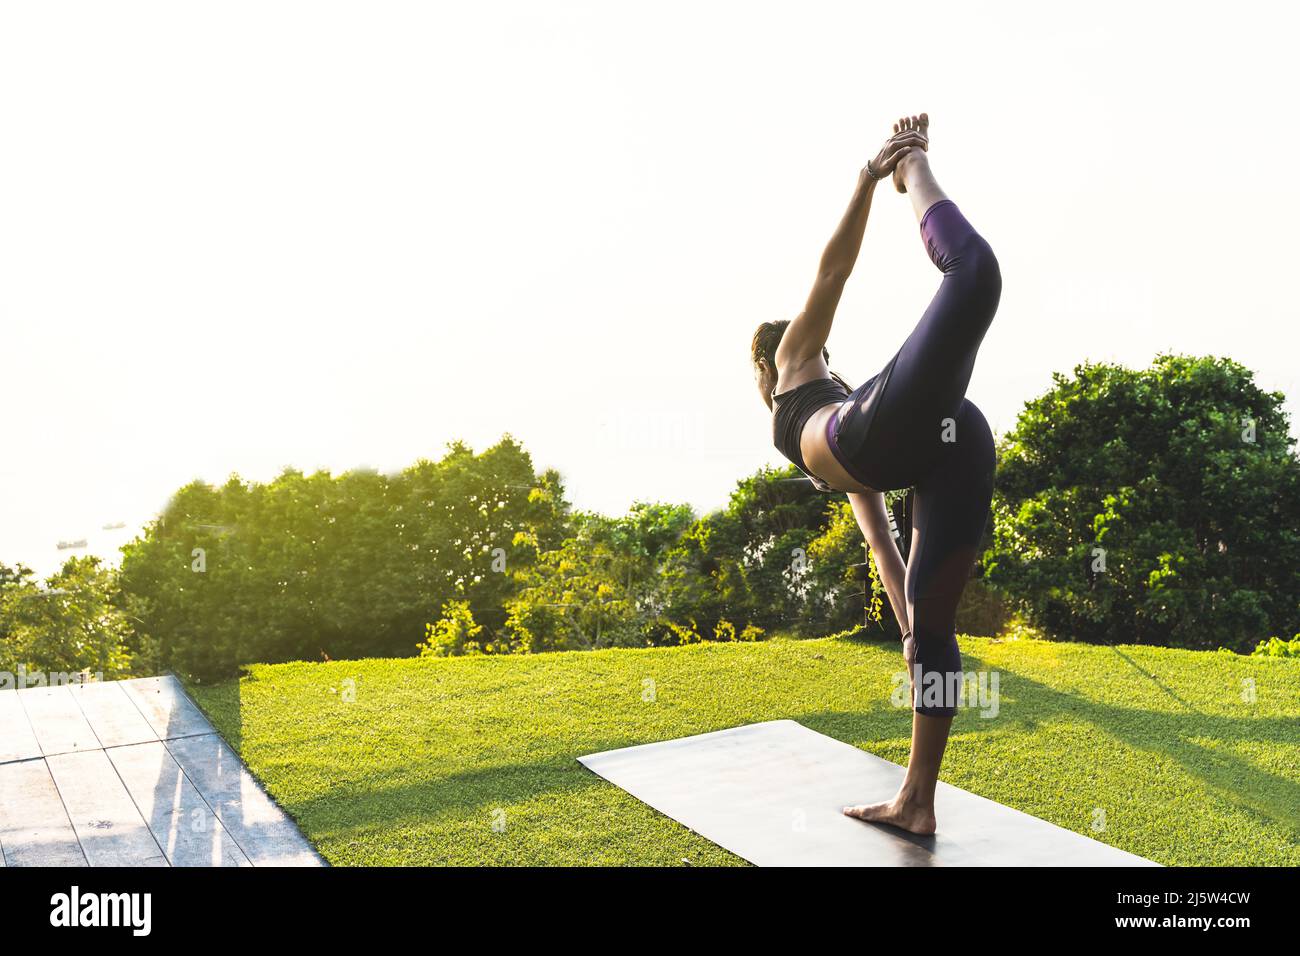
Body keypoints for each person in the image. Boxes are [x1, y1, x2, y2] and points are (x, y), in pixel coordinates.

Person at [750, 113, 1002, 834]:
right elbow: (881, 542)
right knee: (936, 628)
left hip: (926, 438)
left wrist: (868, 179)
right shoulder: (819, 404)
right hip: (925, 443)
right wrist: (907, 627)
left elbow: (833, 270)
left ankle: (912, 167)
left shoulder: (802, 363)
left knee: (974, 274)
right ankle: (915, 804)